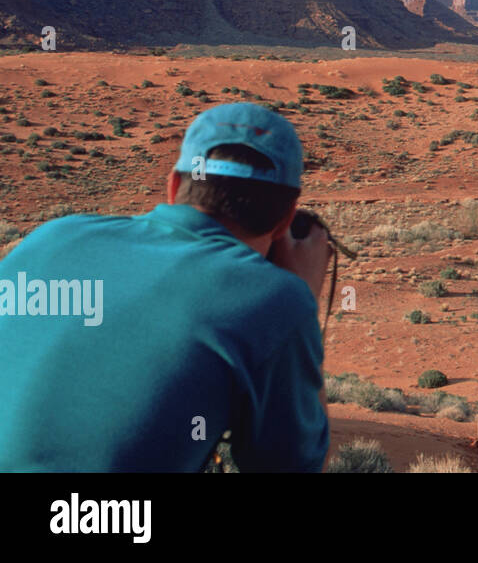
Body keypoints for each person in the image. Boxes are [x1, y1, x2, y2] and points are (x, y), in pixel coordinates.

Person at [0, 102, 332, 472]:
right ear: (288, 216)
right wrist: (302, 290)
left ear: (173, 186)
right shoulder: (277, 300)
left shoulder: (54, 236)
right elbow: (293, 466)